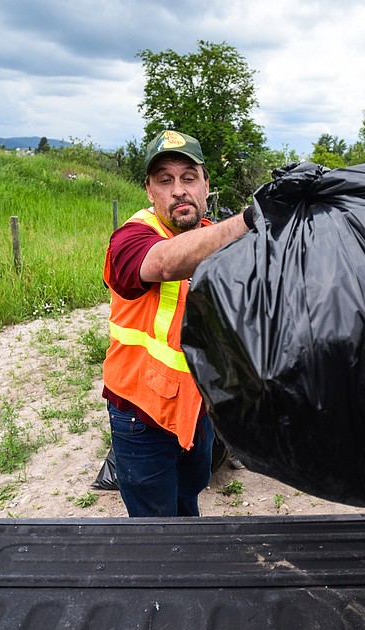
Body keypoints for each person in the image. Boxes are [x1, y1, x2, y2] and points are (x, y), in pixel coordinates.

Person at [102, 130, 255, 517]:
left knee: (189, 504)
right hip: (141, 416)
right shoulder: (130, 238)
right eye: (165, 180)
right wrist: (253, 218)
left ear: (206, 185)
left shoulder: (212, 234)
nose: (178, 191)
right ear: (149, 191)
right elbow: (165, 262)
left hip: (196, 409)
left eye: (188, 178)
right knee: (155, 528)